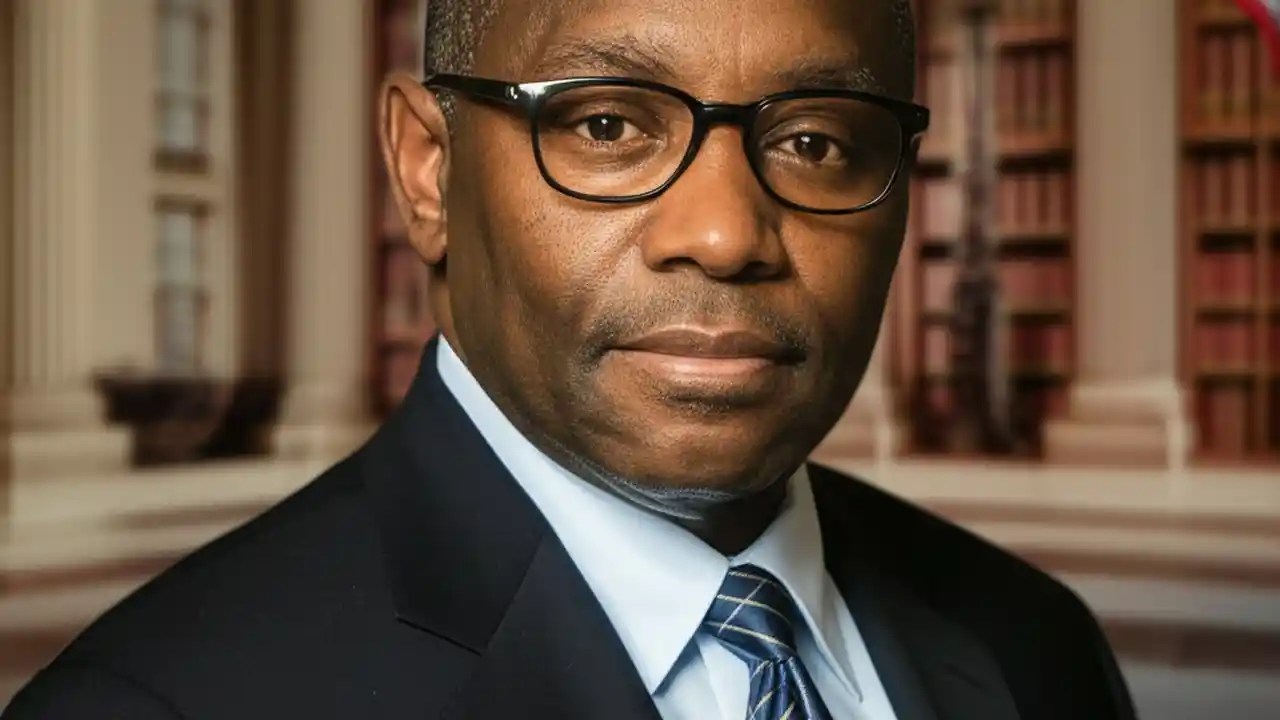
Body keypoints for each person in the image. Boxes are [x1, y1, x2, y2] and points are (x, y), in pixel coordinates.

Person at [7, 0, 1137, 717]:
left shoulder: (1034, 646)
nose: (724, 234)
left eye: (813, 140)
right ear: (428, 169)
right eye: (606, 126)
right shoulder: (158, 704)